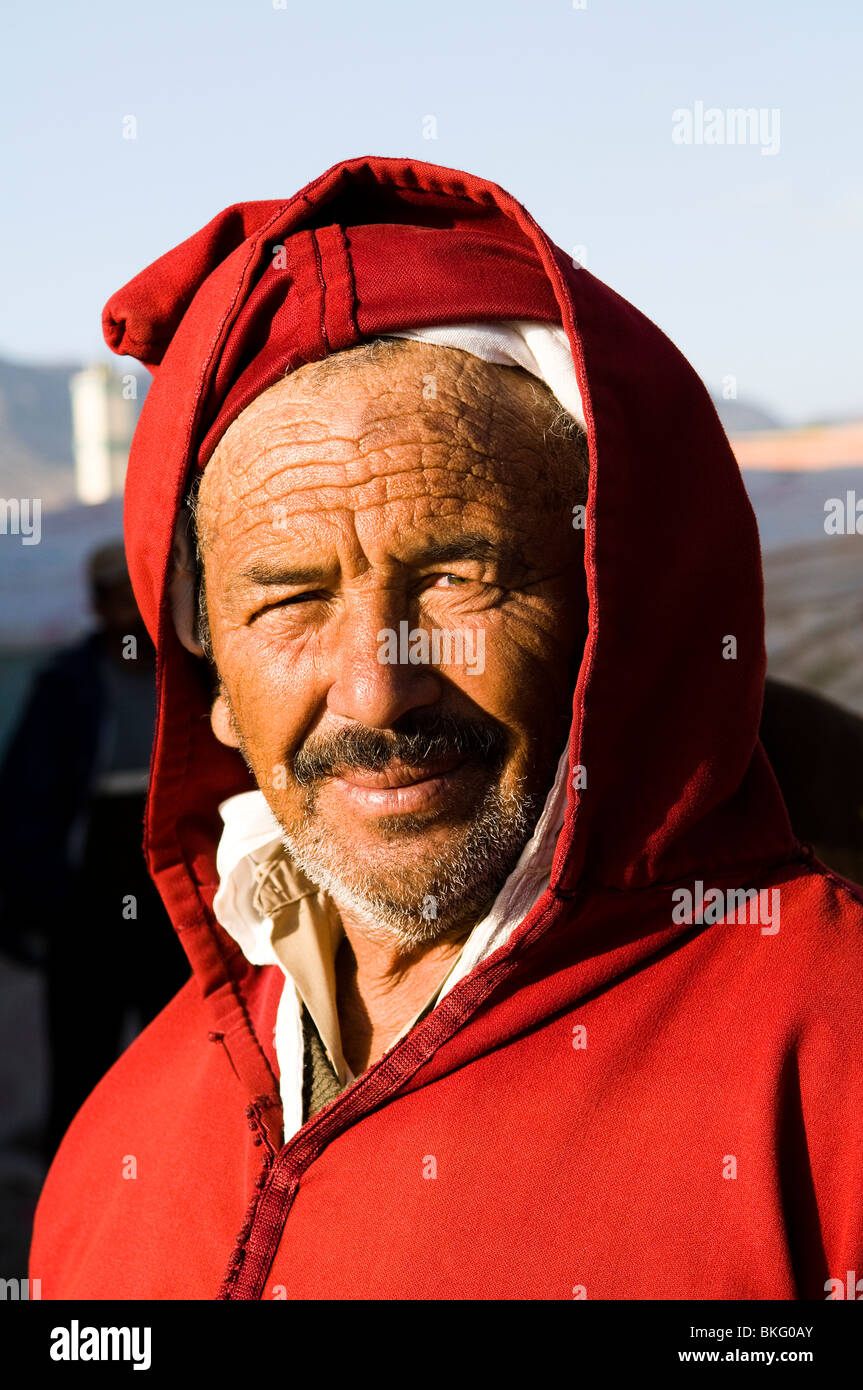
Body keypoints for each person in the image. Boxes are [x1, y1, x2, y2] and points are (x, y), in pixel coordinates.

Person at [30, 156, 863, 1300]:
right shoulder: (125, 1140)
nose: (379, 690)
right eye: (289, 600)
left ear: (605, 617)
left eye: (460, 576)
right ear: (210, 671)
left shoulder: (829, 1083)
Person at [0, 542, 189, 1155]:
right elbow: (28, 801)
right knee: (83, 1061)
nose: (128, 614)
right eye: (115, 599)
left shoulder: (185, 678)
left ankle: (172, 1171)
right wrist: (42, 904)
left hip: (175, 903)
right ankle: (78, 1184)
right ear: (98, 605)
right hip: (88, 908)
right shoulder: (67, 688)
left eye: (136, 596)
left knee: (181, 1054)